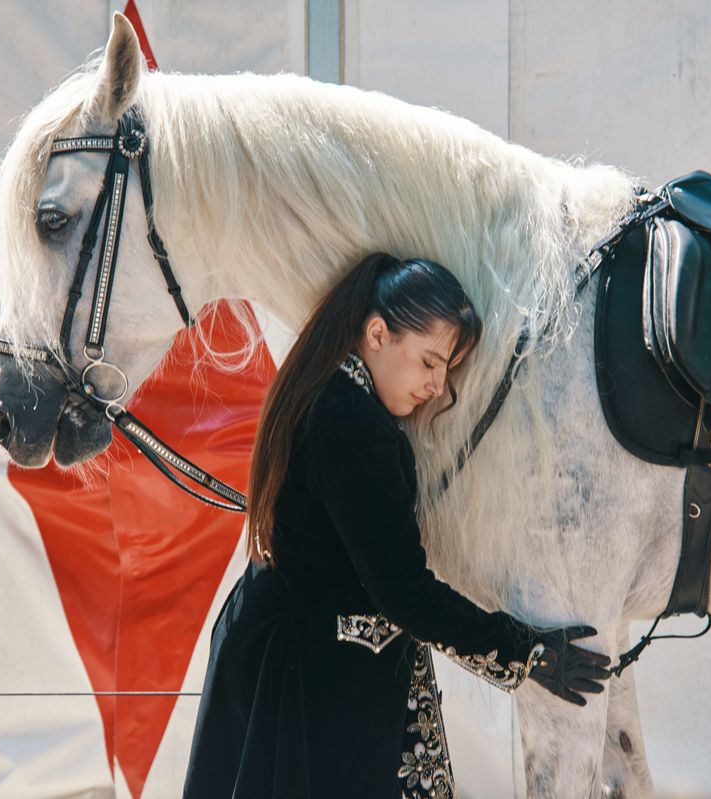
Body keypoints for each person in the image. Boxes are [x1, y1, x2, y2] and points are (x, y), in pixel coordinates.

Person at [182, 253, 612, 798]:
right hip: (313, 687)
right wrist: (525, 653)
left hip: (293, 662)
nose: (437, 386)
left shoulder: (328, 395)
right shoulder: (353, 426)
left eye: (447, 372)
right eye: (430, 362)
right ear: (378, 334)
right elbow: (405, 593)